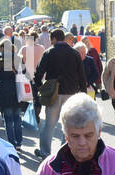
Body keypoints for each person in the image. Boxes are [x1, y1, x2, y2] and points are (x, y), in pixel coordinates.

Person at [32, 28, 88, 159]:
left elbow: (38, 74)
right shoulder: (74, 53)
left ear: (54, 39)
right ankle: (65, 151)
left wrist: (41, 88)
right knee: (68, 124)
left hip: (54, 94)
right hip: (72, 94)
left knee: (49, 125)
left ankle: (45, 152)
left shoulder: (49, 52)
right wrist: (83, 94)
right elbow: (82, 75)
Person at [0, 31, 24, 149]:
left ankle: (12, 143)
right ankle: (19, 142)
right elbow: (25, 74)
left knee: (8, 119)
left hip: (4, 90)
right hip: (17, 90)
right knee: (17, 118)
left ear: (1, 49)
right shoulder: (19, 60)